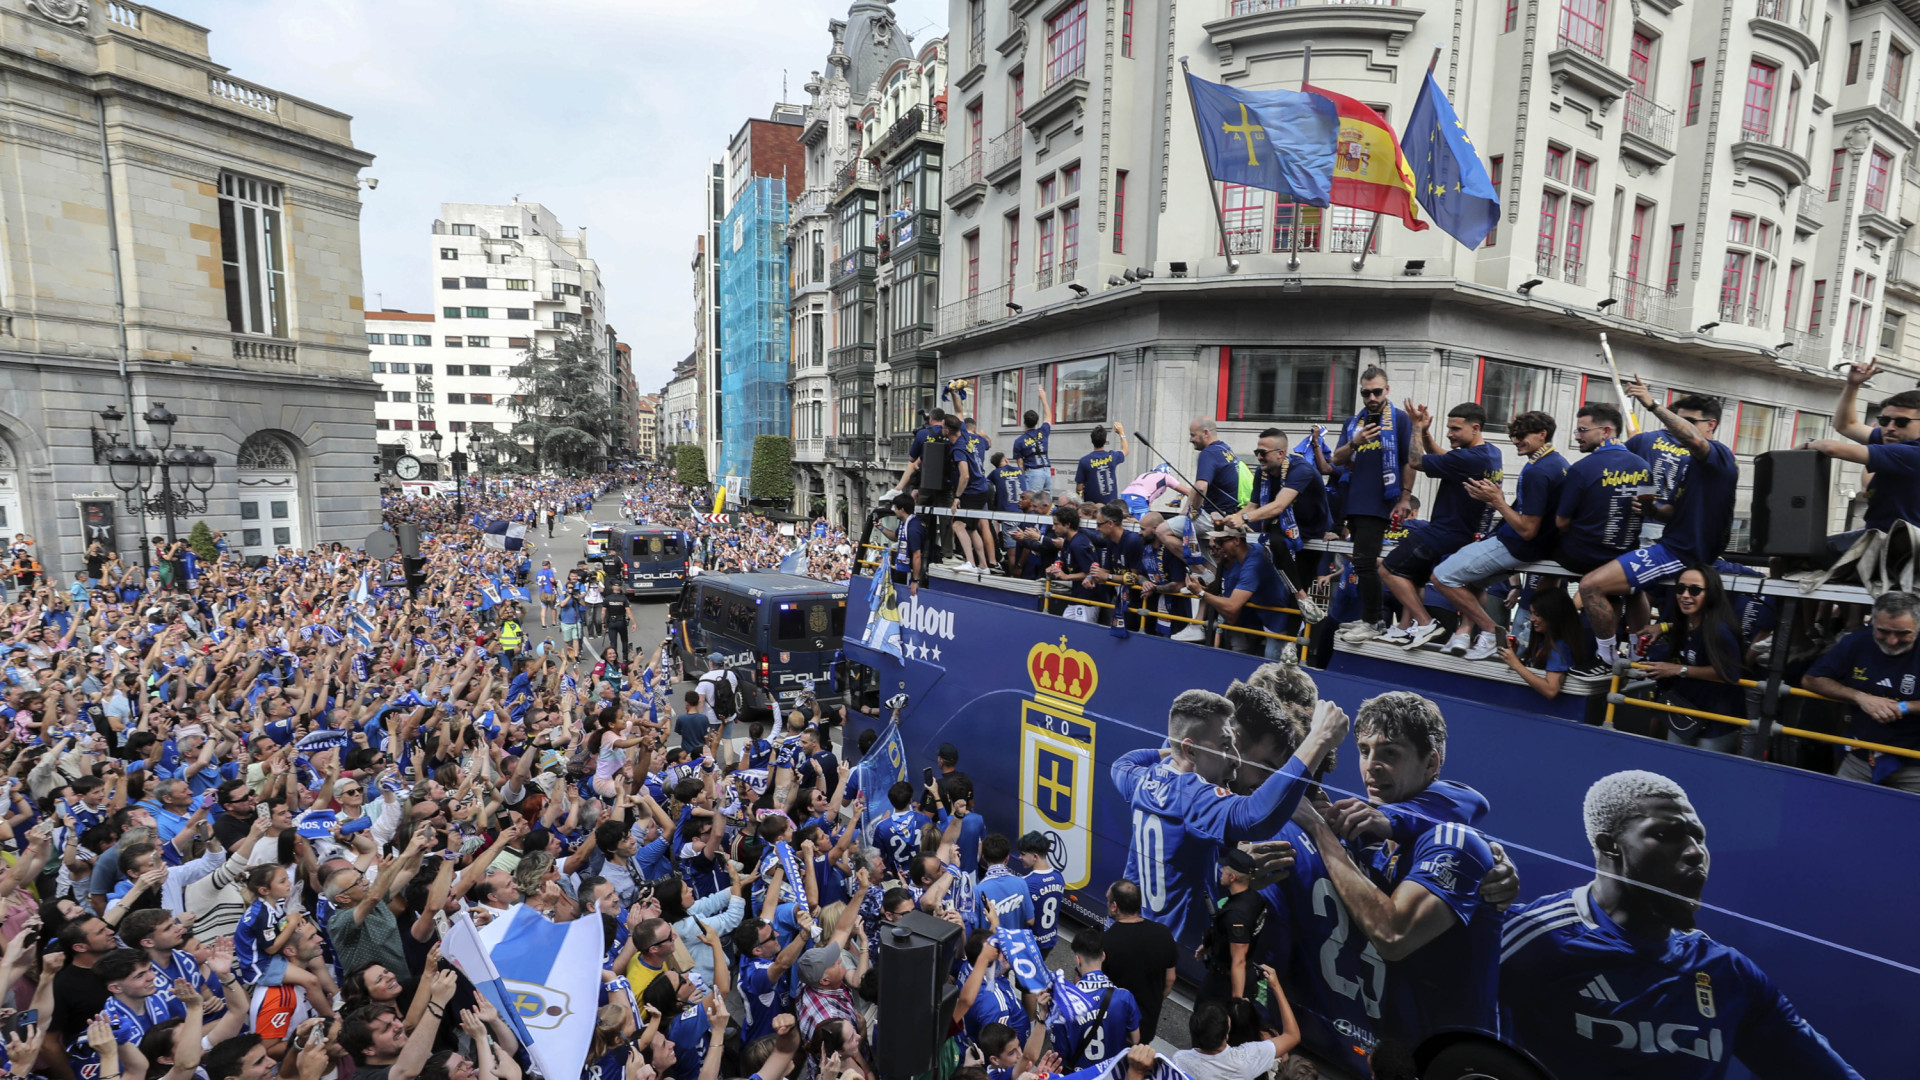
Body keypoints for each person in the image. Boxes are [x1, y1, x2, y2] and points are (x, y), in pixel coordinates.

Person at [1499, 770, 1862, 1079]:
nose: (1694, 852)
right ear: (1610, 846)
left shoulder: (1727, 974)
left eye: (1698, 837)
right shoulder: (1529, 938)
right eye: (1667, 835)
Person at [1292, 692, 1500, 1041]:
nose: (1371, 765)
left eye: (1390, 753)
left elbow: (1392, 936)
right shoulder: (1368, 841)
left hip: (1445, 1054)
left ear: (1431, 764)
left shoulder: (1452, 839)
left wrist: (1317, 828)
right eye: (1363, 750)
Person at [1112, 688, 1346, 944]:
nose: (1235, 759)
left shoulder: (1143, 779)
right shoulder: (1195, 798)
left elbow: (1121, 764)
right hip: (1161, 953)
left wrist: (1175, 749)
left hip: (1125, 932)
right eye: (1225, 745)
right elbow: (1254, 817)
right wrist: (1320, 738)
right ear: (1191, 751)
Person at [1577, 382, 1737, 667]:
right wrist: (1653, 508)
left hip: (1681, 553)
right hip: (1672, 545)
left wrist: (1652, 405)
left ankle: (1608, 659)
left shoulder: (1719, 456)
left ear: (1711, 424)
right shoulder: (1692, 466)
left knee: (1590, 585)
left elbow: (1696, 441)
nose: (1677, 428)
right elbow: (1674, 512)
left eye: (1687, 422)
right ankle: (1636, 650)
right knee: (1628, 587)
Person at [1431, 410, 1568, 659]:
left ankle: (1491, 632)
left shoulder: (1537, 471)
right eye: (1513, 435)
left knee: (1441, 576)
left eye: (1521, 435)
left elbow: (1527, 530)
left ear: (1542, 434)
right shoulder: (1559, 463)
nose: (1515, 440)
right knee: (1472, 580)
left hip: (1518, 546)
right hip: (1533, 546)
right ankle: (1467, 633)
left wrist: (1497, 502)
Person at [1376, 402, 1503, 650]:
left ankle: (1425, 623)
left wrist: (1414, 426)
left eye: (1455, 429)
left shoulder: (1467, 458)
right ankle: (1404, 628)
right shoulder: (1490, 453)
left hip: (1445, 532)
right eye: (1448, 428)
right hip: (1465, 534)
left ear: (1475, 428)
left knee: (1388, 570)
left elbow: (1415, 461)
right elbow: (1443, 456)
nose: (1449, 433)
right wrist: (1425, 432)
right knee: (1412, 577)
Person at [1552, 401, 1650, 662]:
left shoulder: (1581, 469)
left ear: (1606, 431)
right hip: (1624, 555)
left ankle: (1602, 651)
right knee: (1630, 589)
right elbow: (1649, 509)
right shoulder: (1644, 466)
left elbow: (1561, 522)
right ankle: (1635, 646)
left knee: (1542, 567)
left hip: (1584, 554)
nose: (1577, 436)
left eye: (1583, 430)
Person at [1802, 590, 1920, 791]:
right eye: (1882, 631)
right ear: (1872, 622)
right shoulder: (1857, 642)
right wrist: (1860, 697)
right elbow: (1811, 679)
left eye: (1903, 633)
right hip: (1861, 757)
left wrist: (1905, 707)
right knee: (1838, 812)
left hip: (1914, 764)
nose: (1892, 641)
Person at [1331, 368, 1414, 643]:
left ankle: (1374, 620)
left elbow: (1410, 461)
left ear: (1387, 390)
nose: (1372, 397)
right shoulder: (1354, 422)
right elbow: (1336, 459)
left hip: (1380, 501)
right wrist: (1354, 443)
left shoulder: (1400, 420)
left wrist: (1404, 497)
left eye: (1377, 391)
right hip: (1354, 502)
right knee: (1361, 563)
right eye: (1366, 392)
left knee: (1366, 562)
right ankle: (1370, 617)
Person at [1804, 361, 1920, 551]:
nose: (1890, 427)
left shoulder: (1911, 453)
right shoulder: (1894, 439)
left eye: (1901, 422)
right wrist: (1853, 385)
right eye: (1884, 420)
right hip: (1880, 537)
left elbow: (1833, 449)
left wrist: (1809, 445)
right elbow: (1846, 425)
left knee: (1794, 555)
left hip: (1898, 549)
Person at [1640, 566, 1747, 753]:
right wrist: (1664, 627)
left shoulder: (1720, 631)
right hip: (1685, 715)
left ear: (1711, 593)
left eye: (1695, 590)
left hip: (1717, 721)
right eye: (1680, 589)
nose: (1685, 595)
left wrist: (1677, 670)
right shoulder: (1685, 624)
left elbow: (1730, 673)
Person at [1185, 525, 1293, 660]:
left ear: (1236, 540)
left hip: (1278, 619)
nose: (1218, 549)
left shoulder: (1252, 565)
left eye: (1220, 542)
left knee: (1272, 665)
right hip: (1265, 616)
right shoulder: (1252, 550)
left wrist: (1200, 593)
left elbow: (1231, 608)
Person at [1155, 419, 1248, 570]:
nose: (1190, 439)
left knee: (1162, 531)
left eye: (1193, 435)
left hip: (1216, 517)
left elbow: (1200, 487)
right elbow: (1197, 488)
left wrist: (1192, 513)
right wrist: (1185, 512)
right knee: (1183, 524)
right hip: (1229, 513)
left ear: (1206, 433)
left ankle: (1204, 572)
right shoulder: (1224, 449)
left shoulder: (1208, 453)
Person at [1046, 929, 1142, 1070]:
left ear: (1078, 959)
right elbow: (1135, 1040)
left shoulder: (1065, 1004)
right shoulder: (1125, 997)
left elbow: (1060, 1056)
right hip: (1112, 1073)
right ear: (1103, 956)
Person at [1099, 881, 1178, 1047]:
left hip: (1114, 1025)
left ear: (1114, 906)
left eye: (1108, 900)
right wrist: (1153, 999)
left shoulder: (1106, 942)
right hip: (1147, 1024)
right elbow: (1170, 979)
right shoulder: (1163, 933)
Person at [1196, 847, 1268, 1003]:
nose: (1221, 870)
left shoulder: (1236, 915)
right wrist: (1212, 944)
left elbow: (1239, 960)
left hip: (1225, 983)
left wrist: (1237, 1002)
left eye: (1225, 869)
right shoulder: (1255, 899)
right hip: (1239, 975)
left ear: (1233, 877)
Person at [1496, 585, 1592, 700]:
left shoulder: (1560, 647)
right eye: (1531, 613)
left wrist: (1515, 664)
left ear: (1553, 615)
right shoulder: (1544, 641)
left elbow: (1551, 690)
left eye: (1537, 614)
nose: (1531, 619)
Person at [1170, 997, 1300, 1080]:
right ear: (1227, 1033)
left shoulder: (1180, 1060)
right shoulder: (1246, 1060)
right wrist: (1276, 986)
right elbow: (1292, 1035)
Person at [1016, 832, 1065, 955]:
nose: (1019, 857)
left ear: (1035, 857)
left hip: (1030, 944)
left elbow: (1024, 918)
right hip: (1049, 941)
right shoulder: (1059, 877)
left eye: (1022, 854)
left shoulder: (1026, 883)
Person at [1074, 424, 1130, 506]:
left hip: (1092, 507)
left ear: (1092, 441)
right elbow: (1126, 450)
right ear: (1105, 441)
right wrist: (1121, 432)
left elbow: (1079, 486)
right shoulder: (1112, 457)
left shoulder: (1084, 461)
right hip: (1111, 507)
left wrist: (1081, 503)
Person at [1013, 389, 1054, 494]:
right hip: (1047, 472)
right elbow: (1049, 416)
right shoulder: (1043, 432)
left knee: (1033, 504)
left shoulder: (1019, 441)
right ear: (1036, 422)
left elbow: (1020, 465)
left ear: (1024, 422)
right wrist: (1043, 399)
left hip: (1034, 473)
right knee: (1046, 504)